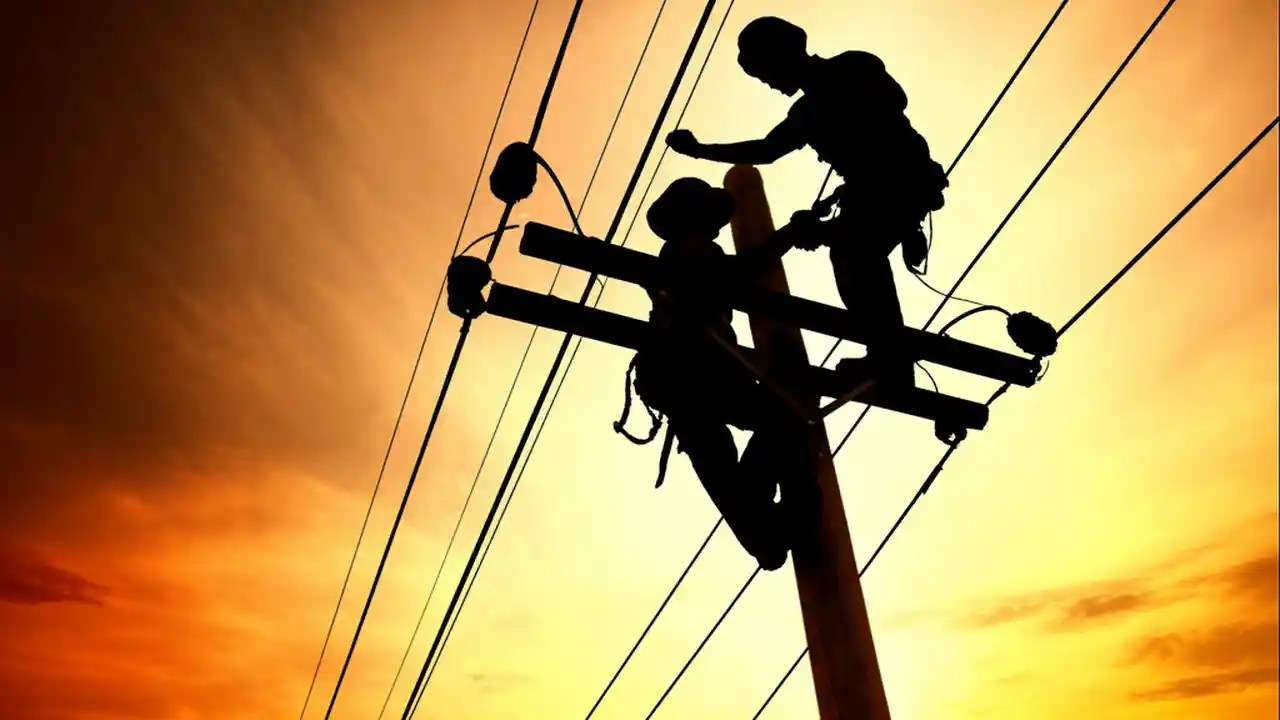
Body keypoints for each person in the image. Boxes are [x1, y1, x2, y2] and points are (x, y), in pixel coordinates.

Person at [664, 16, 948, 392]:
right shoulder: (805, 113)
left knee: (855, 254)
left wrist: (839, 127)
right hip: (878, 189)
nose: (768, 82)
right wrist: (700, 151)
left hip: (900, 177)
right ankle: (888, 358)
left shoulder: (851, 67)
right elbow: (766, 150)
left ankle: (889, 361)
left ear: (784, 51)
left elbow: (893, 101)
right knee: (853, 257)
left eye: (765, 70)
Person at [632, 177, 808, 571]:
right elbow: (740, 271)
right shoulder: (684, 254)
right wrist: (791, 236)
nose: (714, 226)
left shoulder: (681, 256)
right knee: (778, 416)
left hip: (690, 381)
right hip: (697, 376)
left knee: (727, 463)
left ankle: (763, 531)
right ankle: (763, 530)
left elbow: (732, 274)